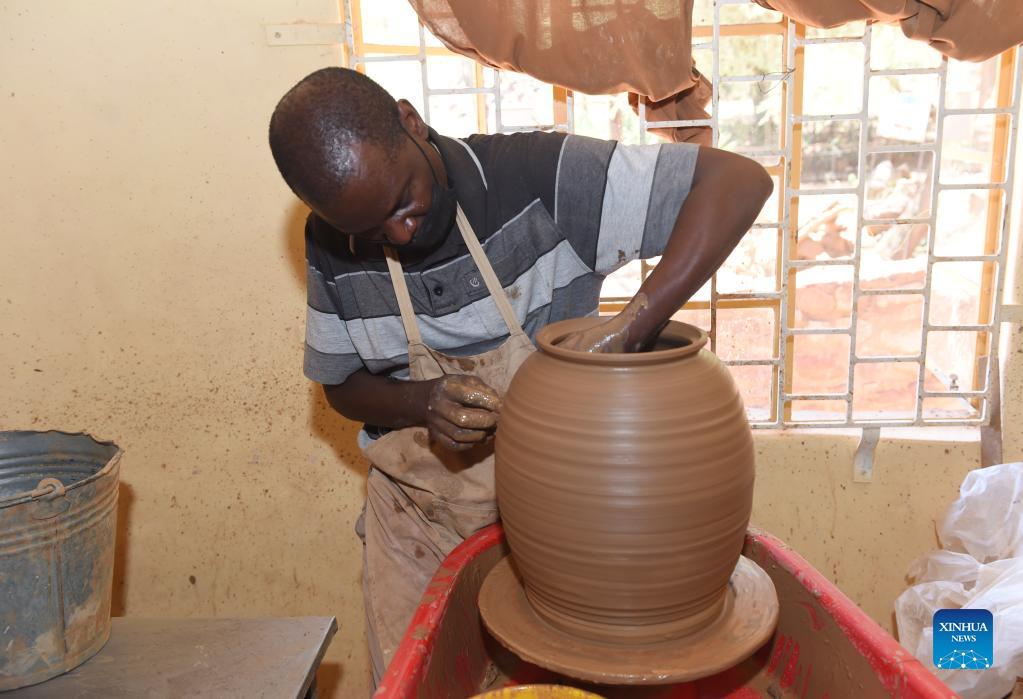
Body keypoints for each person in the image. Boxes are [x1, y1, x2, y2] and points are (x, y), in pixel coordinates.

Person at [268, 66, 772, 683]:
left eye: (403, 199)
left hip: (563, 534)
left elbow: (739, 182)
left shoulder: (539, 179)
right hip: (416, 526)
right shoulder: (331, 243)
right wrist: (423, 402)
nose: (398, 231)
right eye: (370, 230)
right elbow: (340, 385)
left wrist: (632, 326)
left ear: (410, 121)